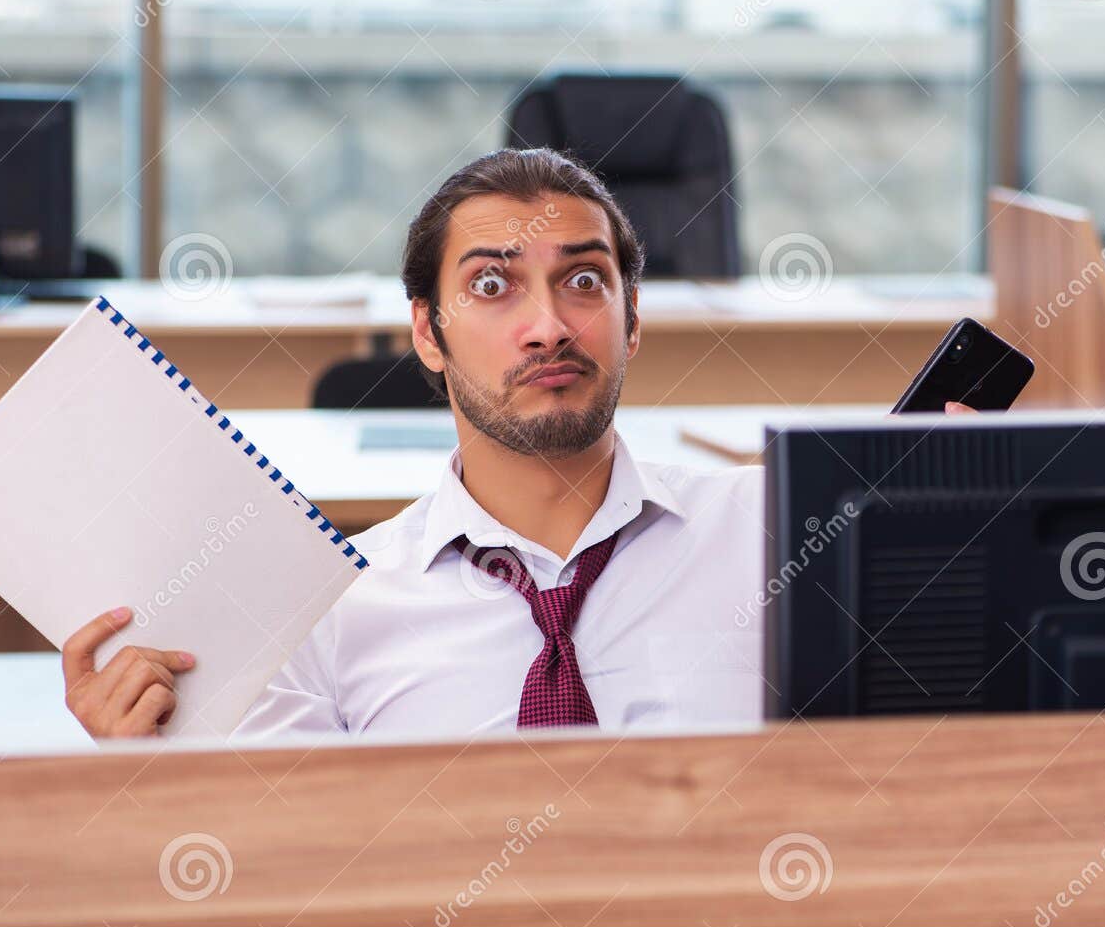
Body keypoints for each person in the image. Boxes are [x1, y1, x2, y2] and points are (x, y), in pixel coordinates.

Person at [61, 148, 970, 740]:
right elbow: (286, 885)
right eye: (493, 287)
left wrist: (959, 551)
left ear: (631, 318)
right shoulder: (327, 613)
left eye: (583, 280)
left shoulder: (783, 535)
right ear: (427, 332)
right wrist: (147, 762)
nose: (547, 326)